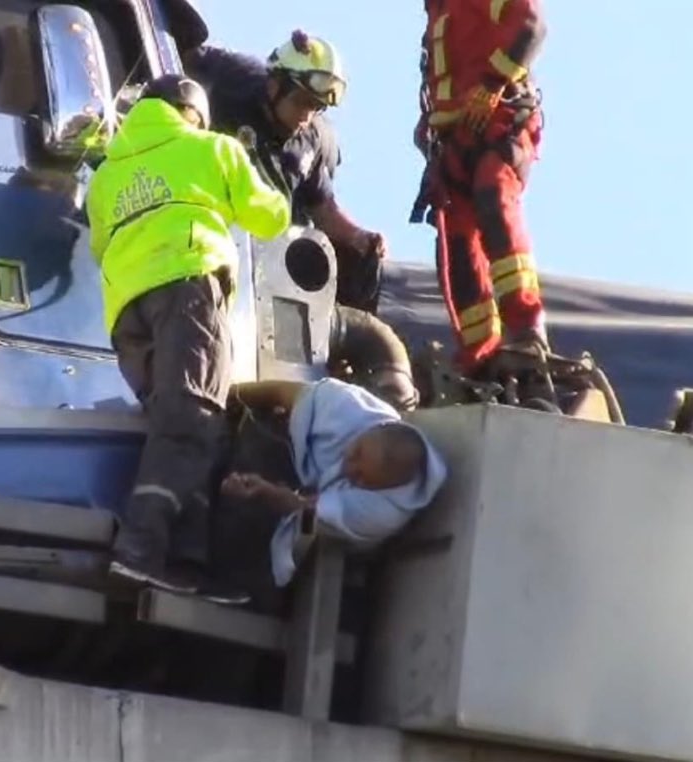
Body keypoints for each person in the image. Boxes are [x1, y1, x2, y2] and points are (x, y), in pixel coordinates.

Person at [86, 74, 291, 600]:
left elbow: (100, 245)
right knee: (192, 420)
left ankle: (187, 563)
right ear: (192, 111)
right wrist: (275, 182)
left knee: (199, 431)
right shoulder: (212, 147)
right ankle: (139, 552)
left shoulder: (108, 174)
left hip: (127, 312)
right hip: (187, 288)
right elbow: (269, 219)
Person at [183, 31, 388, 315]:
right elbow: (179, 46)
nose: (306, 116)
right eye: (302, 102)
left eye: (316, 107)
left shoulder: (314, 138)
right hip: (209, 237)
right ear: (274, 85)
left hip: (273, 256)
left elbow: (323, 208)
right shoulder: (232, 78)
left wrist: (359, 237)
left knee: (361, 257)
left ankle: (342, 345)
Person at [410, 0, 550, 375]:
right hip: (454, 140)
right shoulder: (437, 9)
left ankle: (524, 326)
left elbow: (531, 26)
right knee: (456, 248)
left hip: (500, 122)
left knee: (495, 198)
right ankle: (480, 353)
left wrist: (492, 84)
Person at [221, 378, 447, 587]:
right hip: (291, 454)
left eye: (361, 478)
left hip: (317, 529)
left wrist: (266, 492)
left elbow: (309, 513)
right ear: (376, 427)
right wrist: (228, 394)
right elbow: (284, 393)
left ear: (386, 487)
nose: (350, 468)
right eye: (357, 453)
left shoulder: (383, 513)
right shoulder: (350, 408)